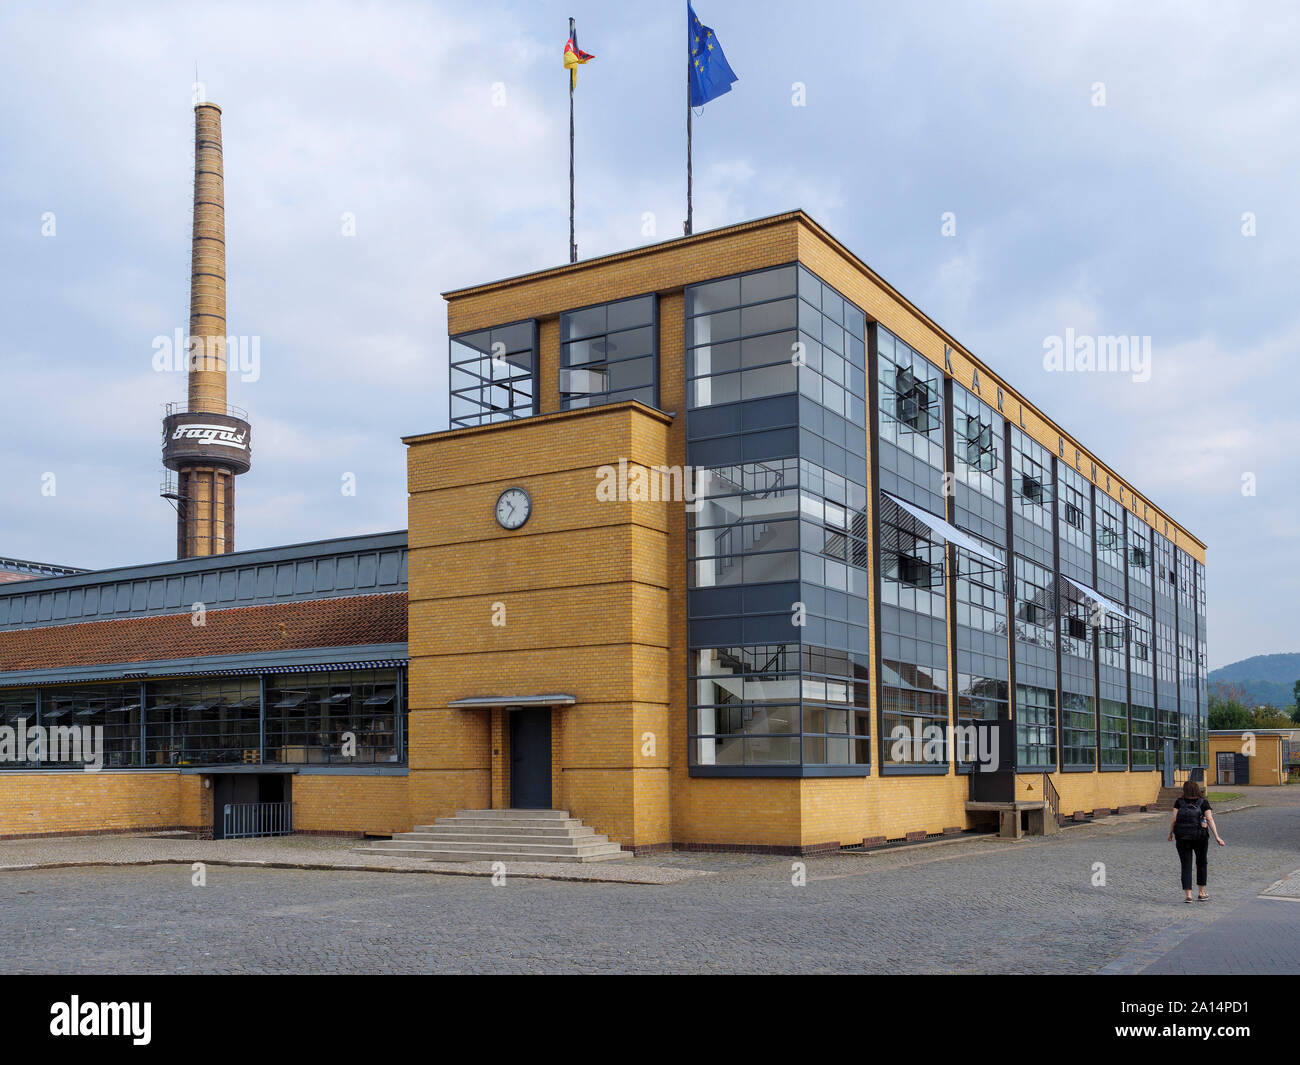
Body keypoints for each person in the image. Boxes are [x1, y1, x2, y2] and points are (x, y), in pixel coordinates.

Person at [1168, 779, 1225, 902]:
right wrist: (1217, 837)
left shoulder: (1179, 802)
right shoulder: (1203, 802)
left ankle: (1188, 895)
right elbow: (1209, 819)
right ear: (1197, 789)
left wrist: (1170, 833)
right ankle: (1201, 892)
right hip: (1201, 837)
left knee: (1186, 865)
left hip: (1182, 837)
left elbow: (1173, 819)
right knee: (1201, 863)